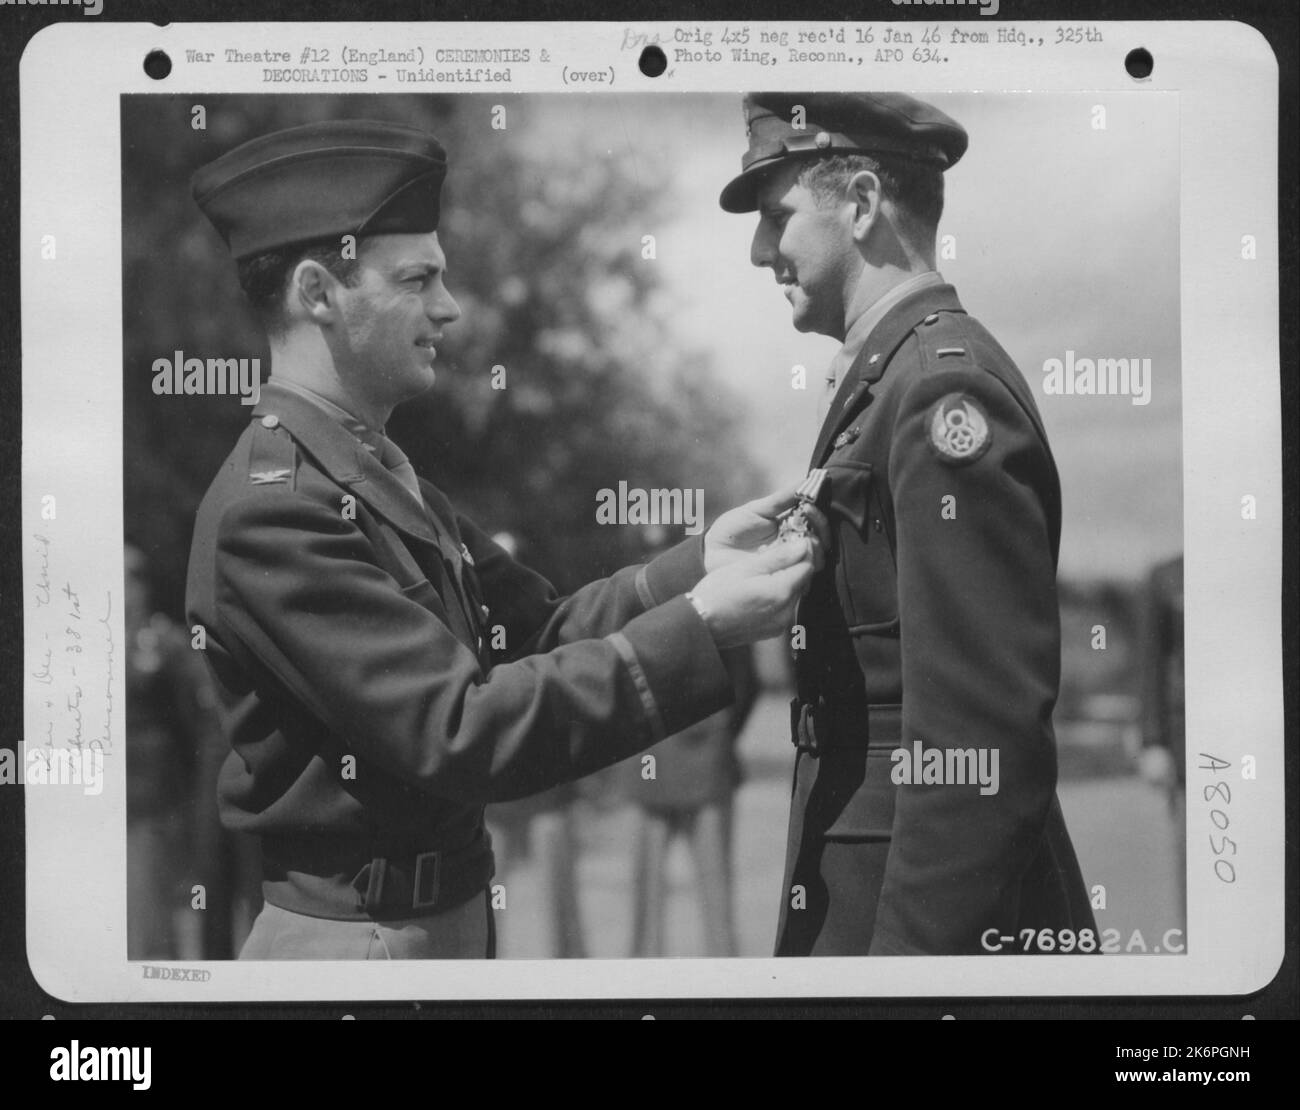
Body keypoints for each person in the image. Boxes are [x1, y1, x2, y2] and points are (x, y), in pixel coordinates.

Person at [185, 119, 820, 959]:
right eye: (418, 280)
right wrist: (701, 627)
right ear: (317, 293)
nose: (448, 308)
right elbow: (462, 729)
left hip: (429, 927)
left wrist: (698, 567)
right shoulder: (275, 510)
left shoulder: (377, 475)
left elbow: (538, 635)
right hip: (357, 946)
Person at [720, 92, 1095, 955]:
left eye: (777, 217)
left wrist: (907, 979)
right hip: (860, 866)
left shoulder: (937, 390)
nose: (756, 251)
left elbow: (979, 743)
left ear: (859, 204)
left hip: (919, 912)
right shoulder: (889, 379)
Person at [627, 644, 757, 957]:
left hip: (669, 758)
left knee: (659, 915)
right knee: (713, 906)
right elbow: (747, 682)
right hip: (689, 760)